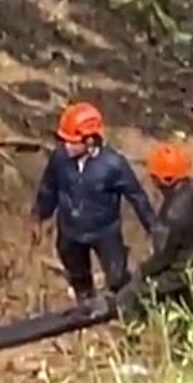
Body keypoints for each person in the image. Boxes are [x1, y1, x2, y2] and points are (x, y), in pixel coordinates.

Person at [31, 101, 157, 307]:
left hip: (104, 231)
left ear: (89, 141)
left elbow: (137, 197)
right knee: (76, 271)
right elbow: (49, 187)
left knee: (117, 277)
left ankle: (125, 309)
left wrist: (154, 229)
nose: (66, 145)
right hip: (71, 230)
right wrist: (39, 215)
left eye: (72, 141)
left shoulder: (113, 165)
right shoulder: (60, 158)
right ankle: (85, 301)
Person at [133, 143, 193, 302]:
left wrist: (143, 271)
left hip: (180, 271)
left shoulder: (172, 215)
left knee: (132, 295)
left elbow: (163, 257)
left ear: (163, 179)